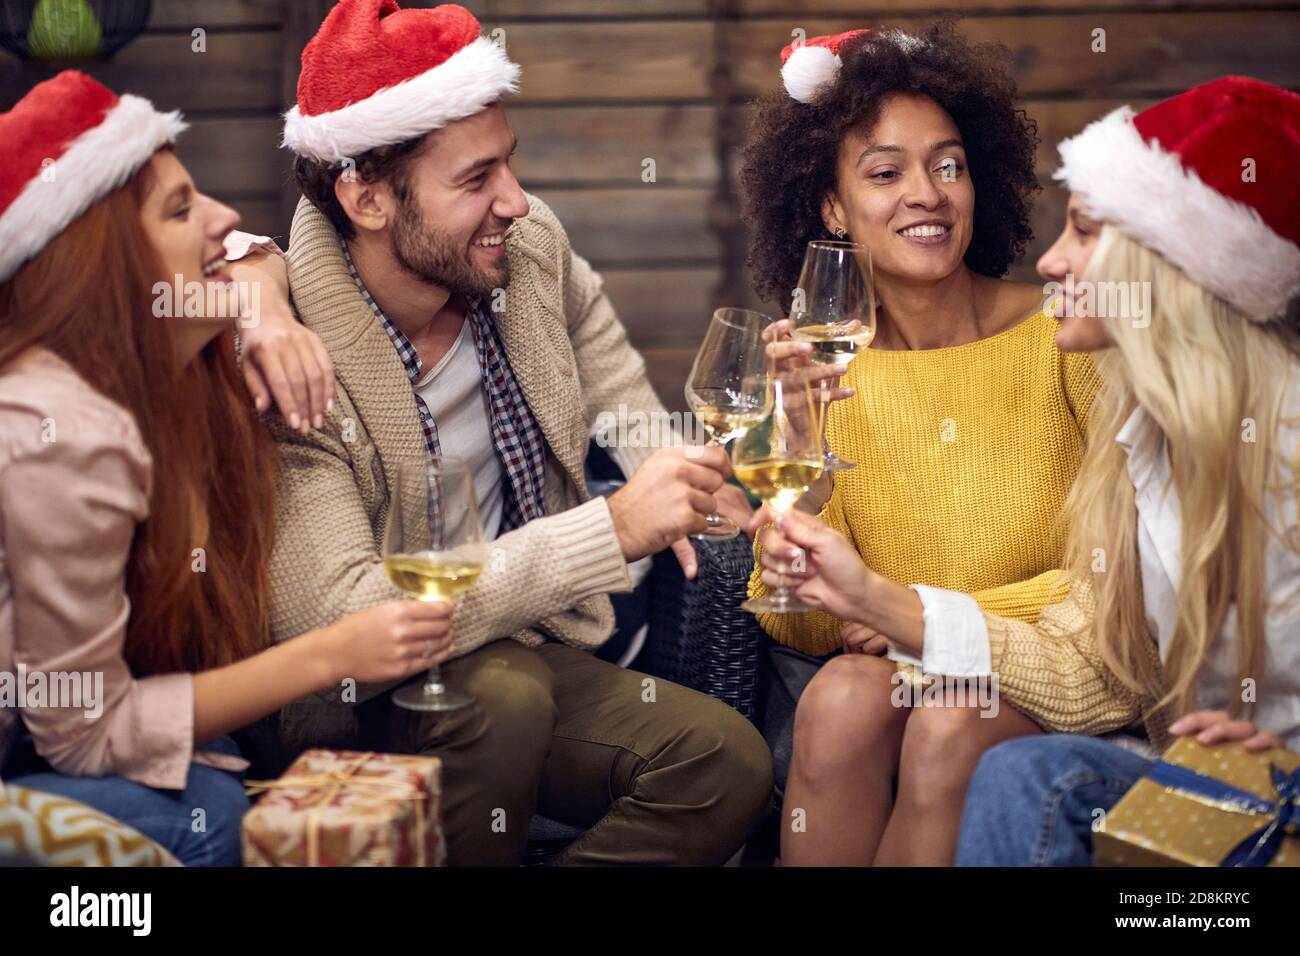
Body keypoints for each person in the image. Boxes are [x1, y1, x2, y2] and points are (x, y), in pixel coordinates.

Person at [233, 0, 772, 866]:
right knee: (507, 696)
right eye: (474, 179)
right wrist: (614, 527)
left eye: (508, 166)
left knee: (722, 763)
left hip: (526, 634)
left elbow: (611, 377)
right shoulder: (291, 359)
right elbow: (345, 619)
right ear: (366, 198)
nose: (516, 202)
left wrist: (683, 476)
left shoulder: (526, 252)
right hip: (357, 693)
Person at [0, 71, 454, 866]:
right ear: (101, 264)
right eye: (180, 211)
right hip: (38, 754)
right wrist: (333, 655)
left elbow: (254, 250)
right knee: (205, 811)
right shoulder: (60, 431)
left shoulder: (161, 370)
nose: (224, 217)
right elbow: (85, 732)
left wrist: (264, 308)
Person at [739, 23, 1097, 865]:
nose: (927, 193)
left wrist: (908, 612)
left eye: (948, 164)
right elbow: (790, 621)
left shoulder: (1066, 338)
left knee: (948, 722)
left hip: (1043, 661)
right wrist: (802, 469)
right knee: (837, 703)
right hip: (895, 666)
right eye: (885, 172)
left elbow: (1126, 574)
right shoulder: (813, 371)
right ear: (830, 206)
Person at [950, 76, 1300, 866]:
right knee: (1025, 775)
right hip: (1219, 795)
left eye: (1081, 231)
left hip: (1281, 797)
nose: (1049, 261)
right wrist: (894, 609)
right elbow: (1098, 655)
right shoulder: (1142, 434)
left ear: (1165, 266)